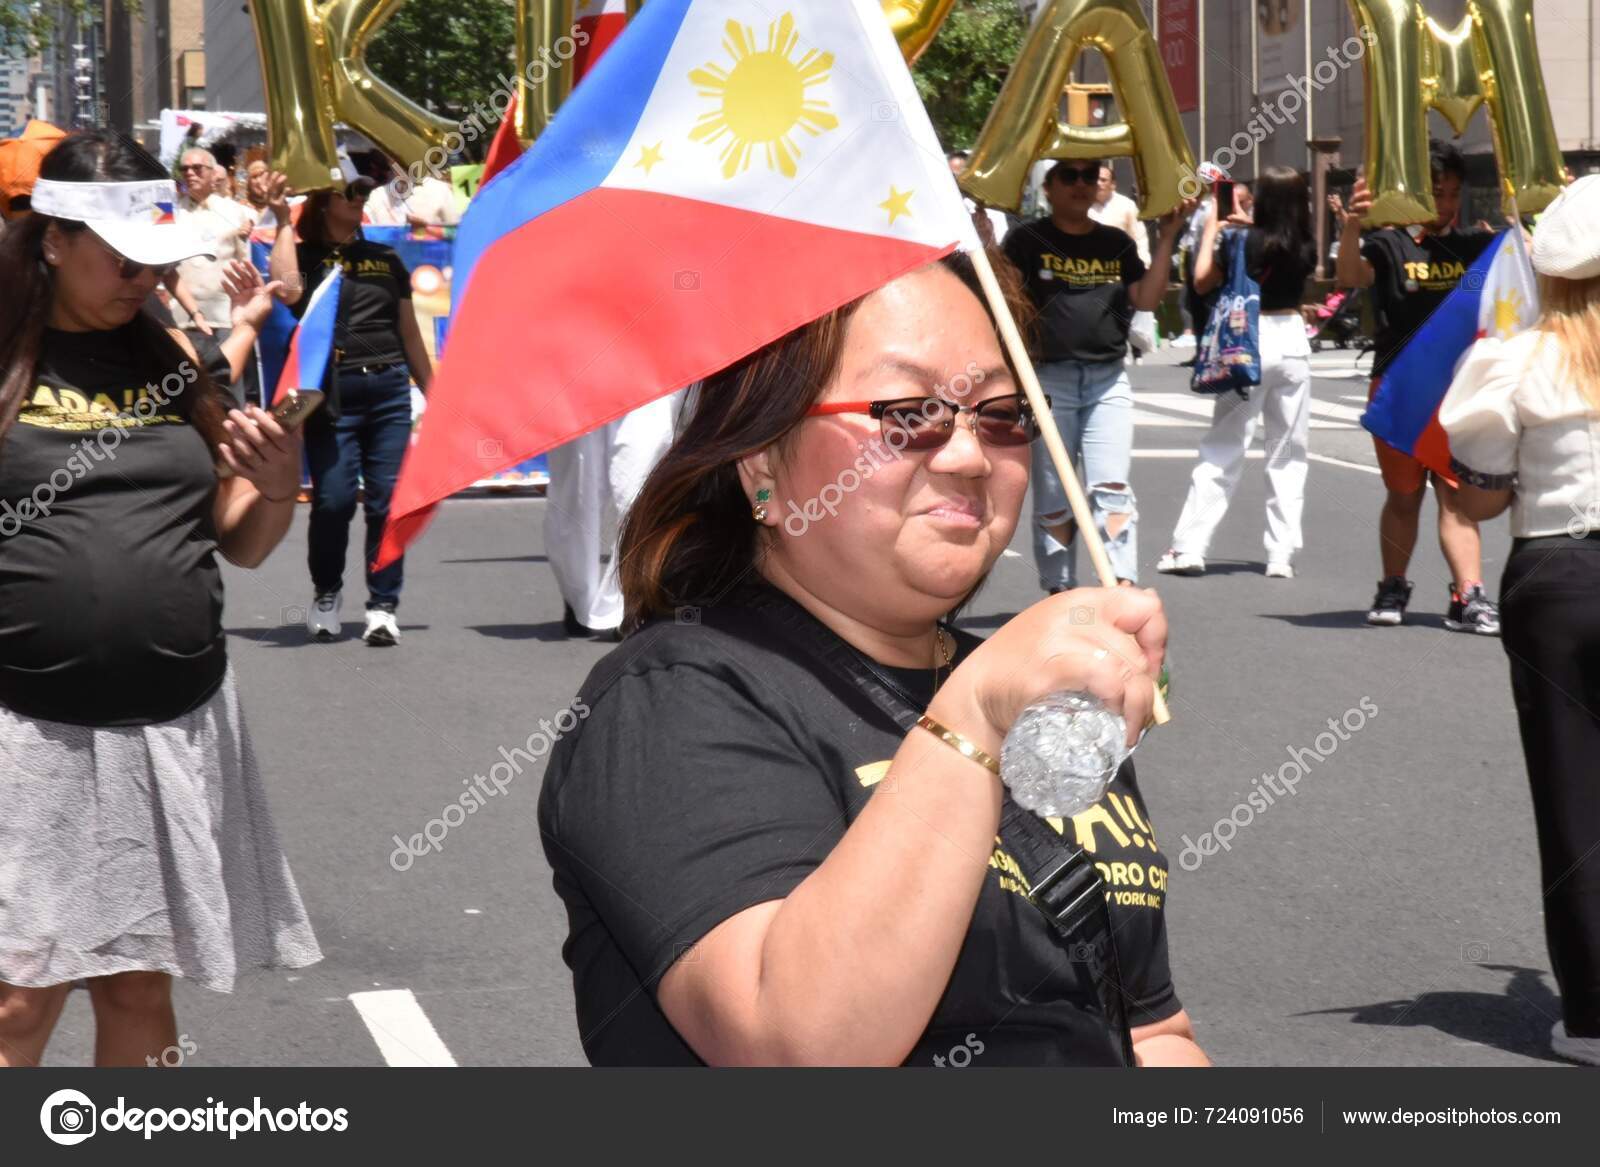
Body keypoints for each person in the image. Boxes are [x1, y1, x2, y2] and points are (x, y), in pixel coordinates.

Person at [538, 251, 1206, 1067]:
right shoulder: (670, 698)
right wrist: (974, 717)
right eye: (908, 413)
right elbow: (796, 1044)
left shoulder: (1034, 686)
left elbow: (1150, 1029)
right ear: (764, 465)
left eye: (999, 414)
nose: (966, 455)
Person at [0, 130, 321, 1067]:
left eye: (155, 257)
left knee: (140, 981)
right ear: (55, 241)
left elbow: (244, 542)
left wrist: (274, 478)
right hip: (27, 726)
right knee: (19, 997)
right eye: (120, 257)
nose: (142, 277)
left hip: (171, 720)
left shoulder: (178, 358)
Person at [1440, 175, 1600, 1067]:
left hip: (1561, 576)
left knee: (1575, 798)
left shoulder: (1521, 354)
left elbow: (1484, 497)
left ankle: (1595, 1015)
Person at [1333, 140, 1500, 633]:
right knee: (1403, 496)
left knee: (1456, 496)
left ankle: (1468, 595)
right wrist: (1350, 226)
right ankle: (1393, 585)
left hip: (1459, 392)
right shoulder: (1388, 244)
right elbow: (1349, 275)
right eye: (1435, 193)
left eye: (1452, 193)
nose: (1445, 204)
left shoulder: (1477, 244)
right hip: (1400, 387)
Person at [1003, 159, 1191, 593]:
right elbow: (1004, 297)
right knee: (1055, 497)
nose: (1082, 184)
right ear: (1048, 187)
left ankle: (1120, 583)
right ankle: (1060, 589)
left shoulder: (1115, 243)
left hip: (1108, 380)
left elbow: (1145, 298)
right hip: (1047, 381)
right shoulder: (1026, 240)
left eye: (1091, 176)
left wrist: (1166, 240)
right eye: (1069, 176)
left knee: (1112, 489)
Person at [267, 169, 435, 646]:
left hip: (387, 391)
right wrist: (282, 218)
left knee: (387, 503)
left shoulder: (385, 258)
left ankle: (383, 606)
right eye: (350, 192)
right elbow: (288, 291)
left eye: (364, 192)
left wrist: (436, 394)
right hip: (331, 397)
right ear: (324, 204)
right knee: (333, 501)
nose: (361, 198)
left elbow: (409, 335)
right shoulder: (305, 257)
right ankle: (327, 592)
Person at [1158, 166, 1318, 578]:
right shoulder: (1304, 244)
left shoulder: (1240, 238)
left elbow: (1201, 279)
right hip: (1293, 342)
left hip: (1246, 340)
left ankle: (1190, 546)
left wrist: (1215, 218)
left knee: (1224, 446)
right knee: (1287, 452)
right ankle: (1281, 553)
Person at [170, 147, 261, 404]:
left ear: (212, 174)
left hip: (223, 317)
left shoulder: (234, 211)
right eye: (185, 169)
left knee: (228, 394)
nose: (190, 173)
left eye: (197, 168)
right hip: (181, 318)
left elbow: (245, 262)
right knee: (186, 395)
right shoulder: (167, 210)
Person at [1089, 162, 1155, 359]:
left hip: (1122, 268)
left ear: (1113, 184)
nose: (1099, 183)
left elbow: (1139, 236)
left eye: (1103, 180)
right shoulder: (1084, 206)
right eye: (1096, 179)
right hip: (1090, 269)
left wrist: (1144, 263)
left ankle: (1134, 348)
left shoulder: (1126, 206)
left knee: (1124, 306)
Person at [1174, 161, 1229, 352]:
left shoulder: (1217, 204)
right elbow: (1191, 235)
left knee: (1209, 308)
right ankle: (1200, 351)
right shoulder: (1198, 204)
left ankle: (1210, 351)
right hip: (1193, 259)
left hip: (1211, 262)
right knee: (1194, 306)